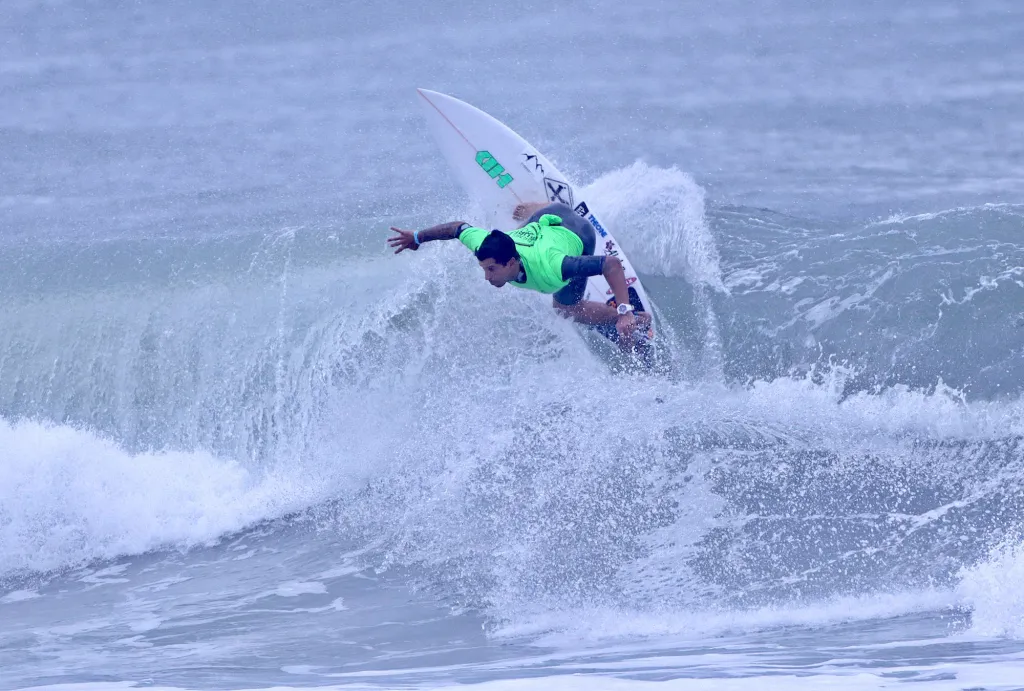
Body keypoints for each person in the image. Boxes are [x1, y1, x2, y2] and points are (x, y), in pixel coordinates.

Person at [387, 201, 650, 347]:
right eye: (485, 269)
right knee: (522, 221)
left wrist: (625, 310)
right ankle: (531, 210)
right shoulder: (486, 244)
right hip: (546, 217)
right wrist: (418, 237)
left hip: (577, 232)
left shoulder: (553, 266)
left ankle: (636, 318)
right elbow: (457, 228)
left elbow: (611, 265)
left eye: (492, 270)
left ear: (512, 263)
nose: (487, 277)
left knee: (565, 308)